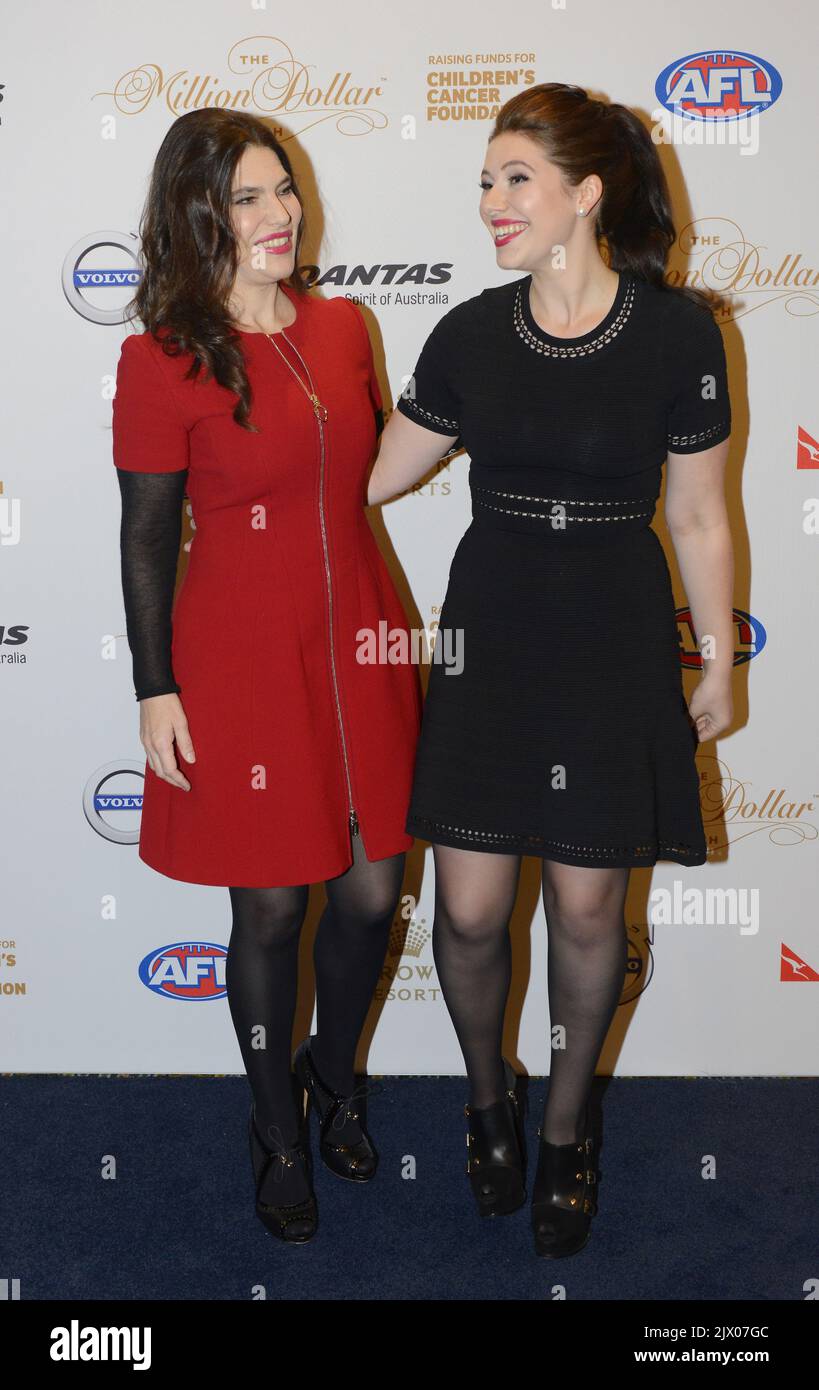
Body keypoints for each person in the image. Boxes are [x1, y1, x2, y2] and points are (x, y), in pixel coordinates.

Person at [367, 83, 734, 1257]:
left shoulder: (679, 333)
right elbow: (371, 476)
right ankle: (490, 1100)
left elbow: (702, 515)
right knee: (471, 914)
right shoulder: (471, 331)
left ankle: (568, 1131)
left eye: (515, 177)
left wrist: (717, 656)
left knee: (586, 905)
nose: (491, 202)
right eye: (484, 179)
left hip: (616, 636)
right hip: (496, 636)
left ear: (585, 194)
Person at [111, 108, 422, 1244]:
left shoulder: (345, 325)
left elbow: (377, 465)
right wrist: (156, 685)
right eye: (247, 196)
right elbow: (146, 537)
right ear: (200, 212)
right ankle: (276, 1128)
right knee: (274, 903)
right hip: (238, 651)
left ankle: (333, 1070)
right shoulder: (160, 357)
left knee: (374, 891)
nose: (278, 213)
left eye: (282, 188)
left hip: (363, 639)